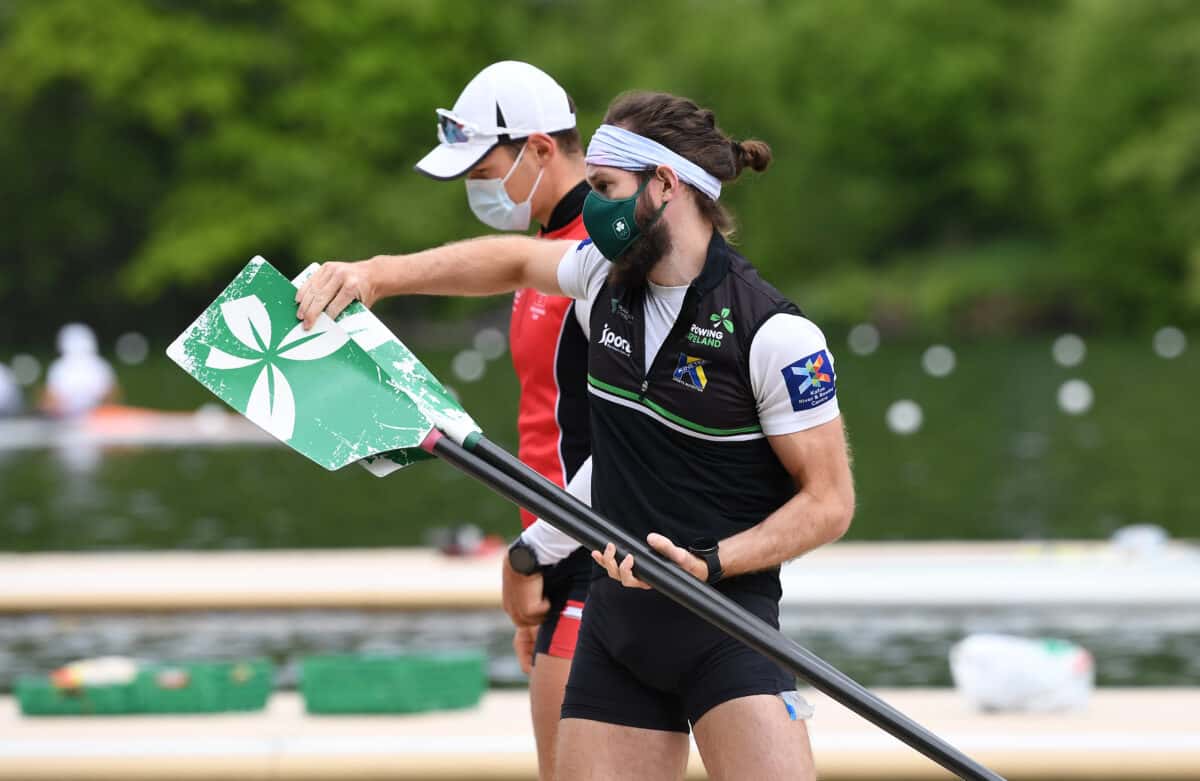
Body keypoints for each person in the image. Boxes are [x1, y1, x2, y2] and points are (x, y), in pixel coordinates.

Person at [296, 91, 855, 781]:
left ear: (666, 184)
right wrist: (378, 275)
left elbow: (829, 503)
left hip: (726, 626)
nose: (592, 209)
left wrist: (710, 559)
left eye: (605, 189)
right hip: (616, 636)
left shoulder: (777, 336)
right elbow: (509, 263)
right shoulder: (601, 279)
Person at [413, 61, 593, 780]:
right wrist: (534, 574)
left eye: (482, 168)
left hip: (594, 549)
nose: (474, 189)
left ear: (541, 148)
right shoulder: (542, 250)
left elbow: (620, 441)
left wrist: (536, 557)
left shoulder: (598, 257)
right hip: (552, 550)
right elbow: (544, 427)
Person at [41, 323, 118, 418]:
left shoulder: (59, 367)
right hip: (95, 420)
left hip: (68, 421)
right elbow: (112, 397)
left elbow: (50, 401)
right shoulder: (101, 365)